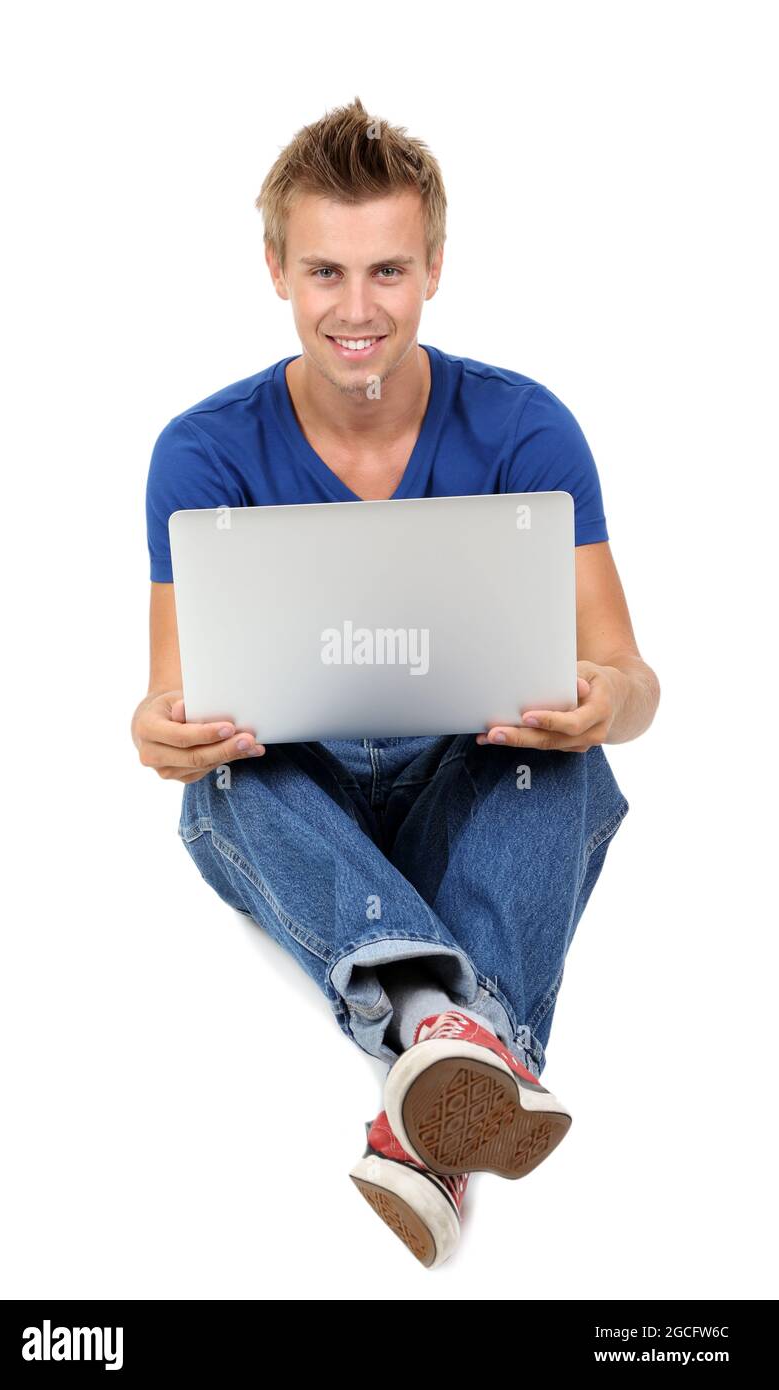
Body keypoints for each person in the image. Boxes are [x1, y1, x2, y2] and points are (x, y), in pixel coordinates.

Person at [130, 96, 660, 1270]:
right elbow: (177, 701)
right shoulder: (201, 450)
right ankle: (451, 1040)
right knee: (223, 789)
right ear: (276, 268)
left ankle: (422, 1087)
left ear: (433, 270)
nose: (356, 308)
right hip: (295, 788)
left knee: (574, 763)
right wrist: (155, 730)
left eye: (387, 271)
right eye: (325, 270)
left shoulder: (526, 427)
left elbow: (632, 676)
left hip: (465, 769)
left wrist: (602, 700)